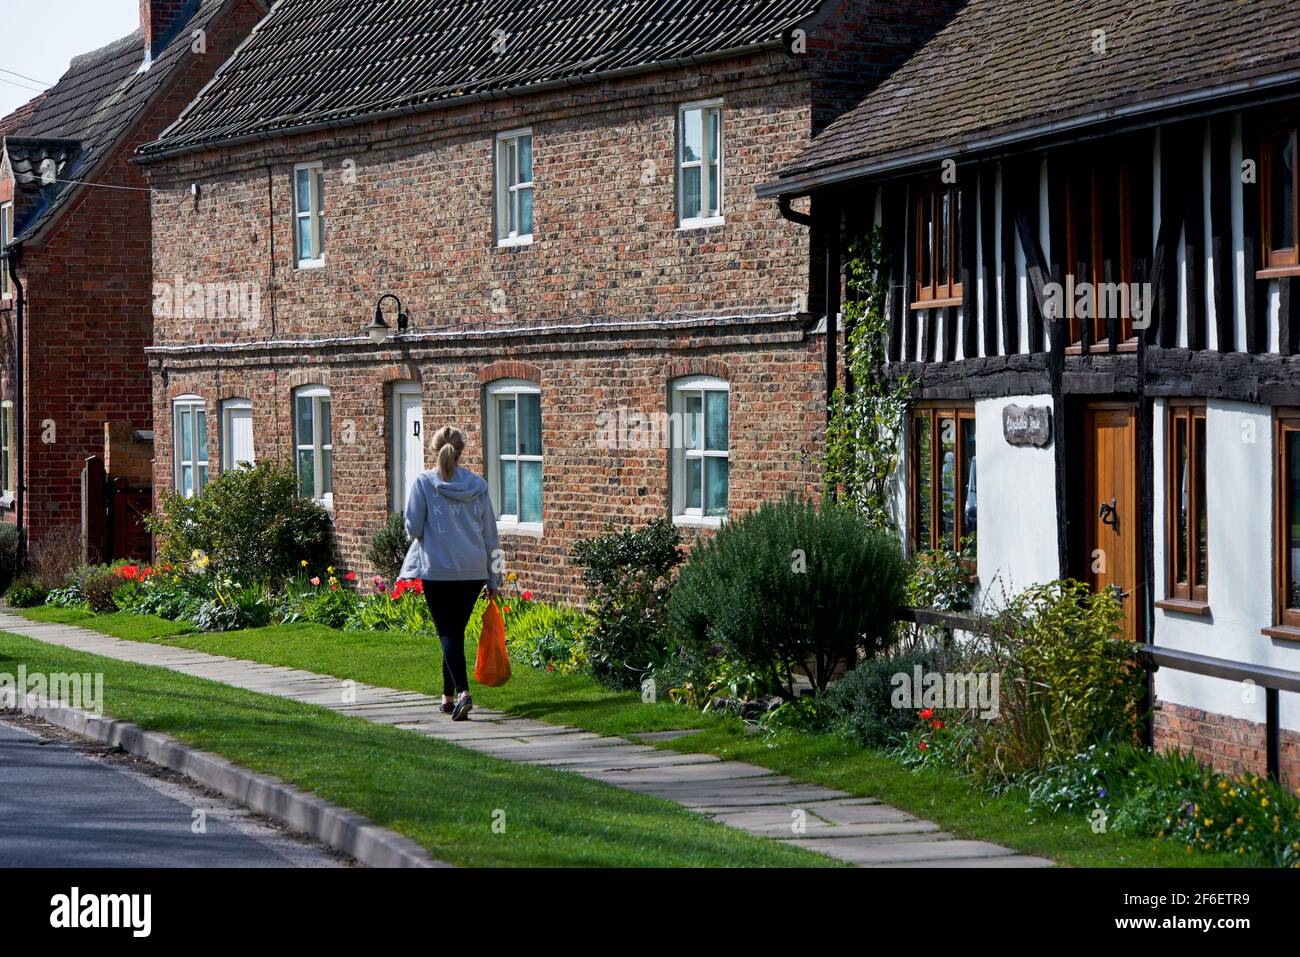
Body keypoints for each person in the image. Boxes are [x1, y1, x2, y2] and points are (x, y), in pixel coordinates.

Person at [402, 425, 501, 721]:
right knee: (454, 633)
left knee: (447, 633)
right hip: (473, 570)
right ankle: (447, 698)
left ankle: (463, 692)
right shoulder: (478, 485)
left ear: (435, 449)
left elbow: (413, 527)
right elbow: (490, 535)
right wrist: (494, 577)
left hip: (438, 569)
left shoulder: (424, 483)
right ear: (461, 451)